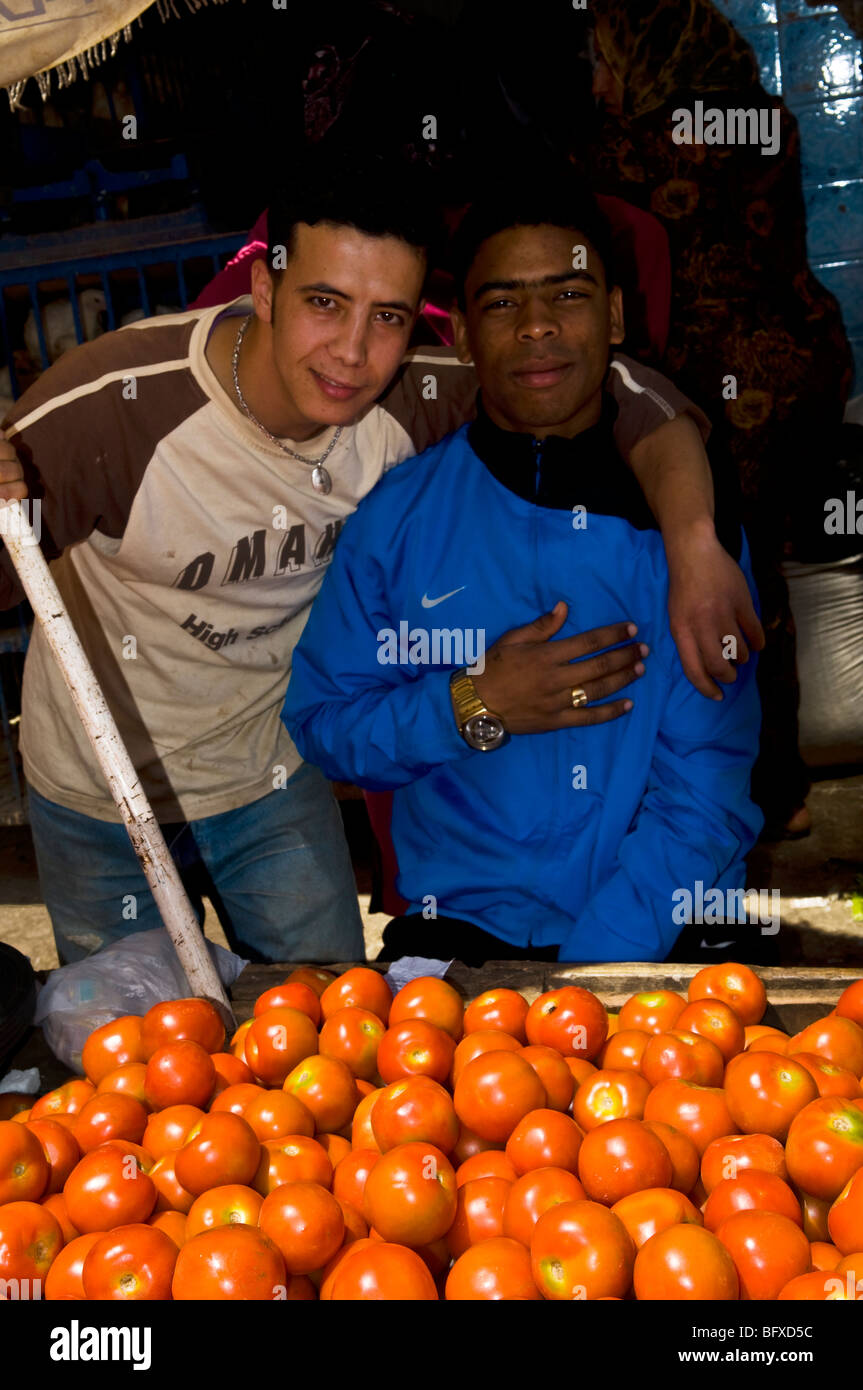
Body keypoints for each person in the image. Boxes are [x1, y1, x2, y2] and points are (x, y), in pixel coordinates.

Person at [0, 152, 756, 966]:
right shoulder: (113, 411)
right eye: (325, 304)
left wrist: (694, 540)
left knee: (318, 1040)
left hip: (271, 783)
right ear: (263, 292)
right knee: (125, 1050)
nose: (352, 354)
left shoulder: (417, 398)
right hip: (99, 784)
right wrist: (477, 698)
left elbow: (602, 386)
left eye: (388, 316)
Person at [283, 176, 764, 965]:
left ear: (612, 316)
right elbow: (327, 729)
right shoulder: (397, 518)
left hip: (659, 932)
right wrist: (475, 702)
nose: (538, 328)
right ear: (464, 335)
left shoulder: (685, 537)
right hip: (458, 935)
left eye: (567, 295)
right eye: (502, 304)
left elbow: (706, 797)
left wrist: (584, 984)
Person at [586, 0, 855, 839]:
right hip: (795, 360)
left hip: (704, 392)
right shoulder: (766, 118)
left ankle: (712, 796)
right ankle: (780, 794)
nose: (596, 74)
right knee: (757, 582)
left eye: (603, 54)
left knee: (695, 577)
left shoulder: (626, 143)